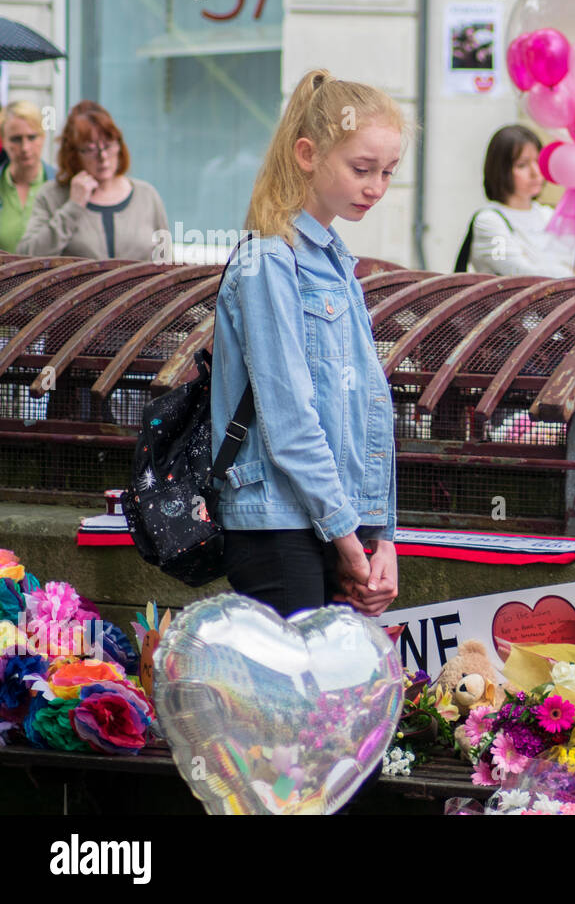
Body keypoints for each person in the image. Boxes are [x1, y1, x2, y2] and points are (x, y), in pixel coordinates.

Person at [210, 69, 404, 619]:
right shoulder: (271, 259)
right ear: (307, 153)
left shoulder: (333, 259)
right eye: (362, 168)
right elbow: (290, 417)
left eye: (388, 172)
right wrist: (352, 538)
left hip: (325, 522)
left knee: (328, 699)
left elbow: (366, 407)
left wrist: (380, 536)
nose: (377, 187)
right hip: (279, 526)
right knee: (294, 701)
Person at [16, 101, 167, 260]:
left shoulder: (146, 195)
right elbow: (26, 255)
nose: (103, 157)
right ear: (73, 155)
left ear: (120, 146)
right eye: (90, 149)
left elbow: (166, 264)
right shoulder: (52, 195)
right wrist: (73, 207)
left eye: (108, 146)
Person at [466, 124, 575, 278]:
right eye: (522, 165)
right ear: (501, 170)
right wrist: (569, 275)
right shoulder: (490, 221)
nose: (535, 173)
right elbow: (516, 270)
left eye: (538, 161)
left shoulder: (549, 215)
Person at [0, 101, 56, 252]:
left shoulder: (61, 186)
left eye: (31, 137)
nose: (25, 148)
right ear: (3, 141)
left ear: (43, 137)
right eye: (16, 139)